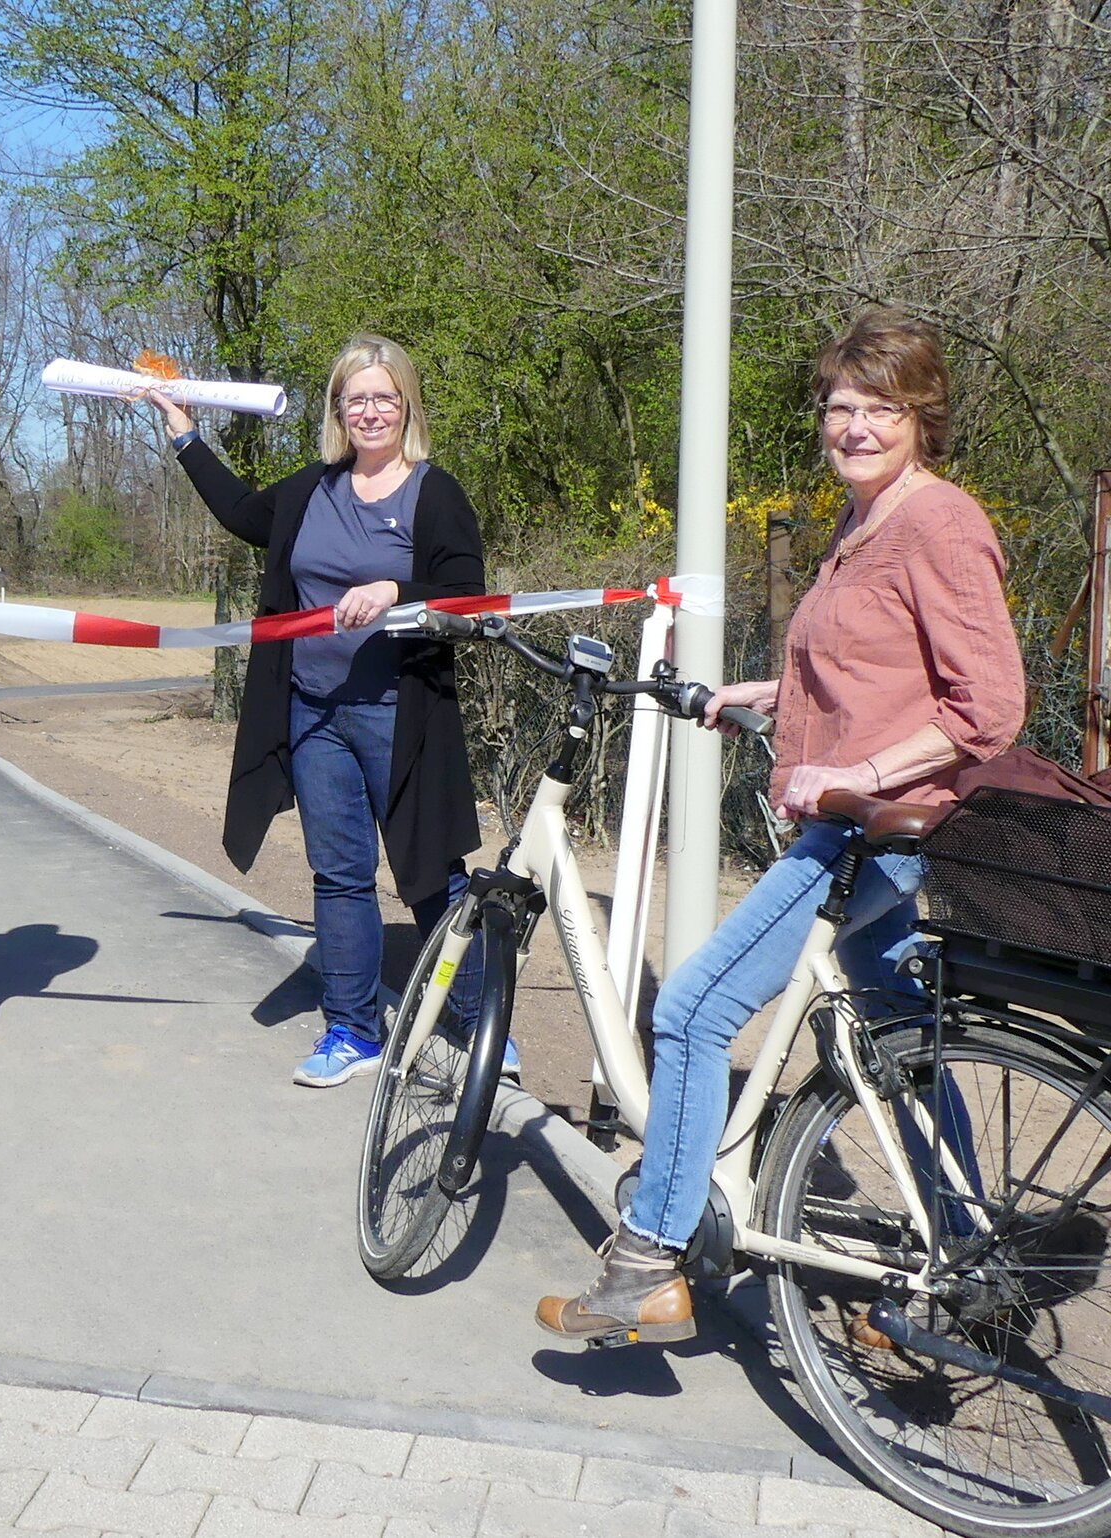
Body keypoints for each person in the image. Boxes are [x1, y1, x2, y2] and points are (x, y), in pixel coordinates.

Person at [536, 307, 1027, 1345]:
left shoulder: (938, 523)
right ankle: (972, 1271)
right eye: (841, 407)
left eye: (881, 408)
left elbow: (987, 706)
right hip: (877, 827)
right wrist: (760, 694)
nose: (855, 427)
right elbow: (869, 671)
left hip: (870, 831)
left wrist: (855, 774)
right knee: (895, 1040)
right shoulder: (862, 522)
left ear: (921, 418)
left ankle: (646, 1263)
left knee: (692, 1011)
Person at [143, 333, 493, 1088]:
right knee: (338, 876)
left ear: (406, 405)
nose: (370, 412)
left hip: (401, 714)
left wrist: (398, 591)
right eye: (354, 399)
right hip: (314, 713)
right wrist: (184, 433)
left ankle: (479, 1027)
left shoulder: (434, 493)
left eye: (383, 397)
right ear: (338, 410)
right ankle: (352, 1030)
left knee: (431, 874)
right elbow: (244, 514)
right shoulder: (312, 489)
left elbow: (469, 593)